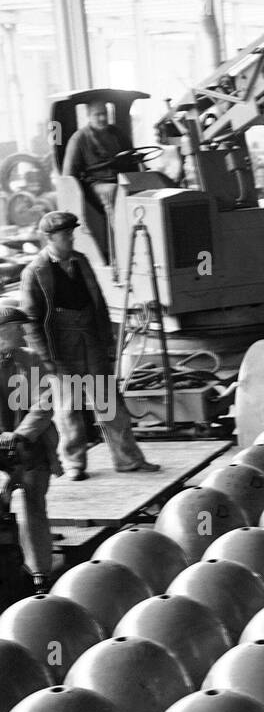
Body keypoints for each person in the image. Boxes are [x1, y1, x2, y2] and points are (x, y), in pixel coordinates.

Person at [19, 211, 159, 482]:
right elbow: (31, 321)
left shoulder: (80, 262)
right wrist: (46, 358)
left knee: (109, 404)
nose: (71, 237)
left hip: (91, 342)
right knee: (68, 408)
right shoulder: (35, 272)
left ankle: (128, 460)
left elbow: (99, 304)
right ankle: (74, 464)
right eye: (65, 234)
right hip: (61, 350)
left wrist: (107, 341)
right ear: (49, 238)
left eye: (72, 233)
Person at [0, 306, 62, 591]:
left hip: (31, 451)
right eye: (17, 329)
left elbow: (44, 403)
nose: (23, 333)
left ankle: (40, 573)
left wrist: (21, 433)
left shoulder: (31, 360)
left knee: (35, 510)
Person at [61, 102, 139, 261]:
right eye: (98, 114)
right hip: (96, 185)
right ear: (88, 116)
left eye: (104, 113)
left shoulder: (117, 134)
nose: (102, 117)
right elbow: (68, 175)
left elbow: (133, 157)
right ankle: (121, 254)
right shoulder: (79, 138)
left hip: (122, 179)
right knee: (116, 192)